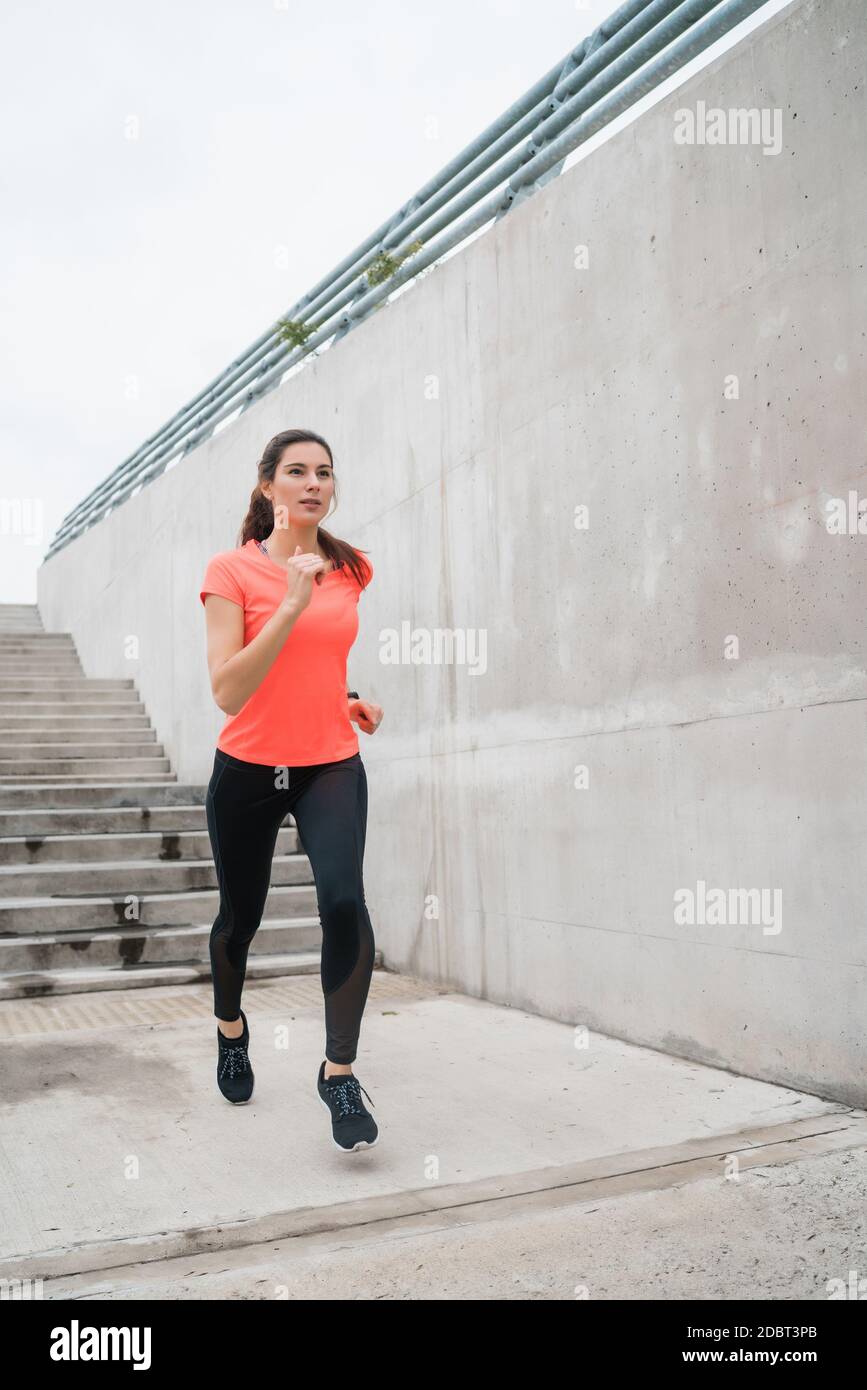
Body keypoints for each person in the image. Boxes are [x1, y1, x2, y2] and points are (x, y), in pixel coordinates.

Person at [199, 427, 384, 1153]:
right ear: (267, 486)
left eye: (325, 473)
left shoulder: (351, 567)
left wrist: (347, 699)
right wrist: (288, 602)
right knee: (238, 920)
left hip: (329, 761)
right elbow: (227, 691)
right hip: (247, 766)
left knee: (344, 902)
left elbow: (320, 662)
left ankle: (338, 1073)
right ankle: (231, 1030)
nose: (313, 483)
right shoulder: (230, 573)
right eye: (297, 471)